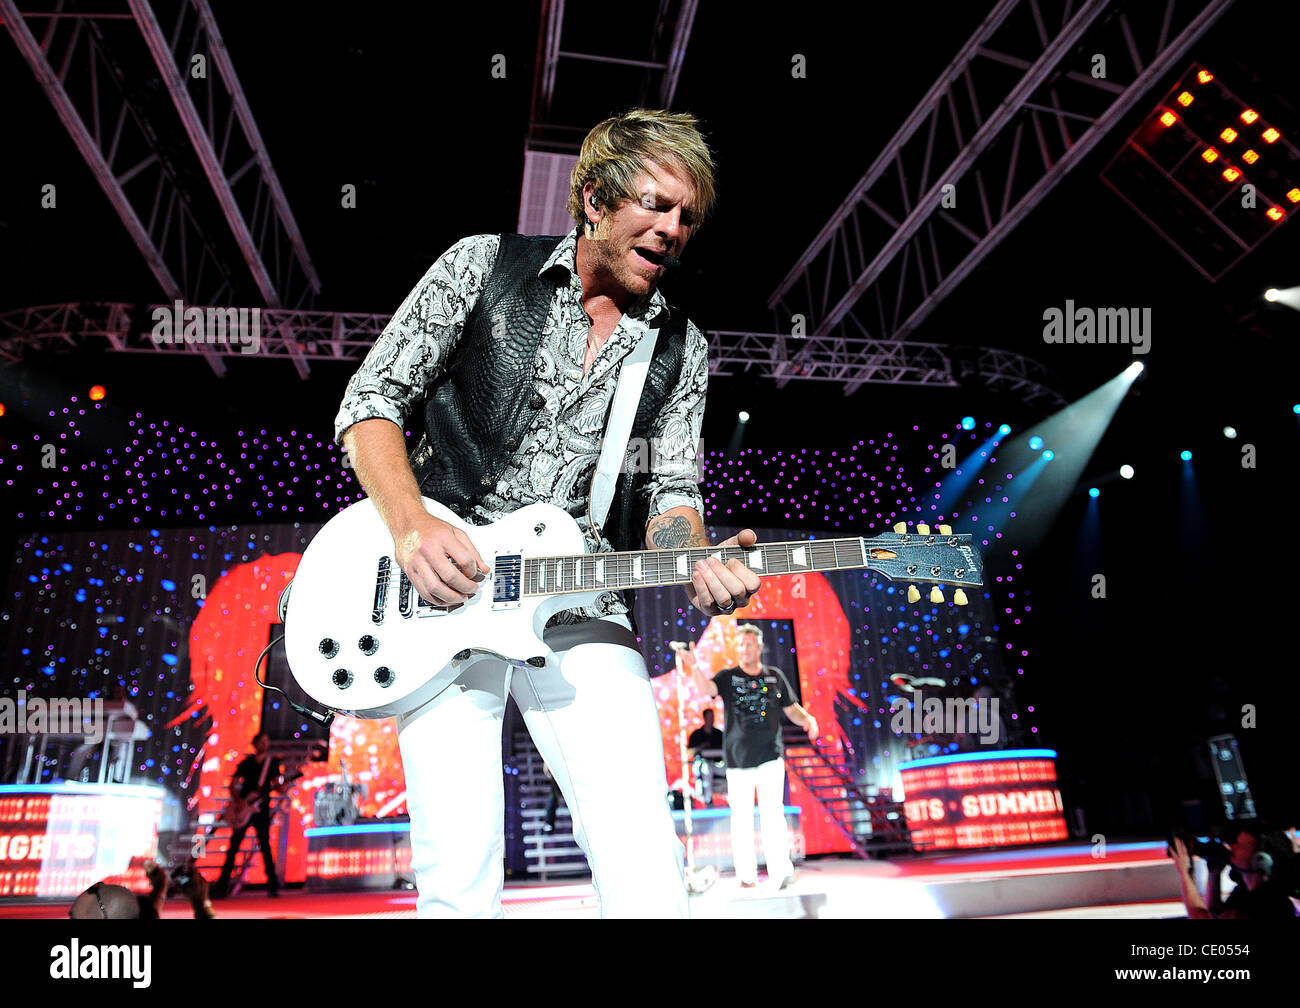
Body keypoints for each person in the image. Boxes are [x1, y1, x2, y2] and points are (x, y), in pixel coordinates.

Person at [334, 109, 762, 919]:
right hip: (443, 593)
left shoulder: (682, 347)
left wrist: (697, 555)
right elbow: (370, 402)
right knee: (458, 872)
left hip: (580, 596)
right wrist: (412, 525)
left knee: (646, 859)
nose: (673, 230)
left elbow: (671, 490)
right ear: (595, 198)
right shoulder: (483, 266)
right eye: (655, 204)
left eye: (688, 218)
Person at [684, 625, 817, 889]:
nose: (745, 649)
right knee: (741, 819)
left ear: (759, 647)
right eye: (741, 645)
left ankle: (781, 873)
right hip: (737, 760)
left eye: (749, 644)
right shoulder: (728, 677)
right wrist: (693, 666)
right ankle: (746, 876)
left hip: (770, 756)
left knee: (773, 815)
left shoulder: (774, 676)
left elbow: (792, 709)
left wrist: (809, 720)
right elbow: (706, 688)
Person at [1169, 821, 1297, 919]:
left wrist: (1185, 872)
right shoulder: (1245, 891)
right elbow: (1216, 912)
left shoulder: (1271, 903)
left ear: (1260, 859)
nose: (1232, 846)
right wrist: (1214, 875)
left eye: (1240, 845)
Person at [212, 732, 283, 898]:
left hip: (261, 809)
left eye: (267, 742)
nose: (265, 745)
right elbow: (233, 784)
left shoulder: (271, 764)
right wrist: (239, 802)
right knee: (234, 847)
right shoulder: (247, 763)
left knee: (265, 846)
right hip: (244, 809)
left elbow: (278, 785)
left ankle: (272, 885)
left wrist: (283, 786)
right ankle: (222, 886)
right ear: (256, 743)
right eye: (262, 742)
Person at [686, 707, 724, 805]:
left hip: (718, 764)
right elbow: (688, 753)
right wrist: (700, 748)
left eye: (713, 717)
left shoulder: (719, 734)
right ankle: (708, 800)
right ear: (705, 718)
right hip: (702, 765)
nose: (711, 719)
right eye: (709, 717)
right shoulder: (697, 735)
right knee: (706, 769)